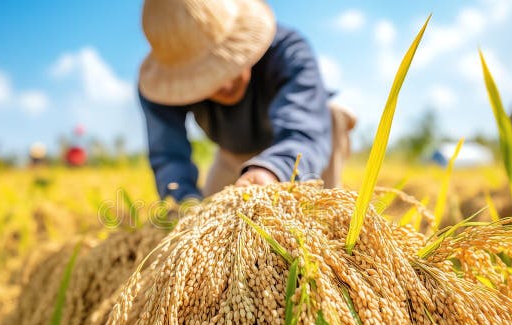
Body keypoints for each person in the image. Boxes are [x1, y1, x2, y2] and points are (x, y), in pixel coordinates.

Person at [138, 0, 355, 202]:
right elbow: (169, 157)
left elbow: (304, 129)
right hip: (234, 156)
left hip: (303, 148)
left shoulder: (287, 51)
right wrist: (183, 201)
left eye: (227, 67)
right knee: (208, 220)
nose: (225, 85)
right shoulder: (163, 91)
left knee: (330, 117)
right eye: (208, 78)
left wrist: (274, 170)